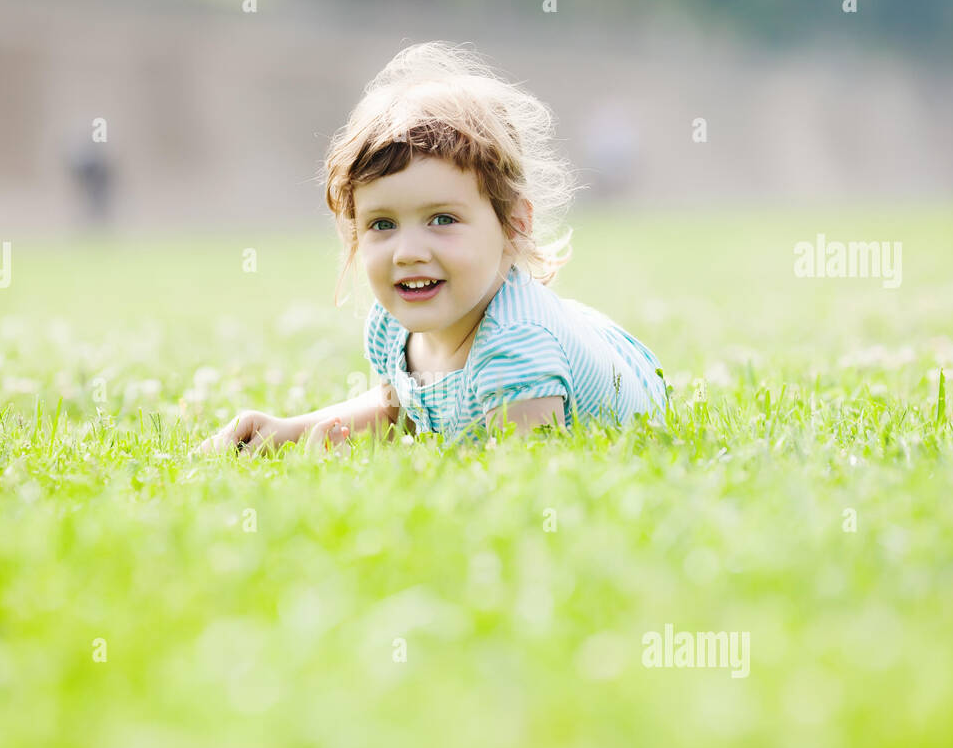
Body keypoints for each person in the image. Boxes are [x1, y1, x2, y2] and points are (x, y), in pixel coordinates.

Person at [197, 41, 666, 457]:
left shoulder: (517, 350)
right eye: (382, 224)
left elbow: (530, 476)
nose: (407, 252)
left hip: (628, 381)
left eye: (442, 219)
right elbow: (399, 408)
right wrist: (286, 432)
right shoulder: (392, 329)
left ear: (514, 226)